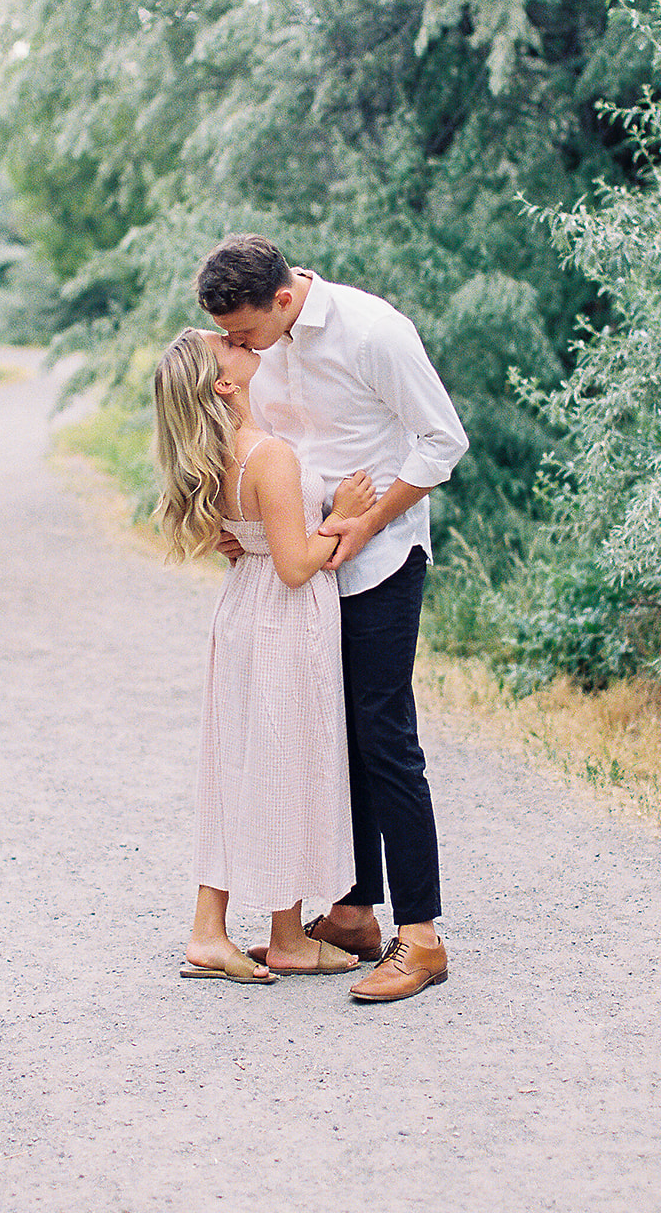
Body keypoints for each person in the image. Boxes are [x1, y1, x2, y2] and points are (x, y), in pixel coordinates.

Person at [196, 234, 469, 1003]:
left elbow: (444, 440)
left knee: (384, 736)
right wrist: (245, 523)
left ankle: (421, 938)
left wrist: (371, 521)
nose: (234, 347)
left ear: (284, 299)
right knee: (328, 733)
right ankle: (352, 913)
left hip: (379, 561)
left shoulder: (374, 332)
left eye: (244, 333)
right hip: (300, 570)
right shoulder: (251, 345)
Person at [153, 326, 377, 983]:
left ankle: (284, 934)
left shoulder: (218, 458)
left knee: (254, 762)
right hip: (282, 618)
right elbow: (297, 564)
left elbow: (255, 544)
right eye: (221, 342)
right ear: (223, 383)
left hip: (243, 610)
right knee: (287, 764)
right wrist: (343, 514)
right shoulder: (267, 456)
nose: (233, 336)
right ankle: (247, 933)